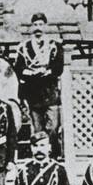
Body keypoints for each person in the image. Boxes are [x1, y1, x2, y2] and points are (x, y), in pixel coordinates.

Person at [13, 11, 66, 157]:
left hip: (50, 93)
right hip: (33, 93)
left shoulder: (54, 46)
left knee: (53, 127)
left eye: (41, 24)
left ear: (45, 26)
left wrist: (46, 71)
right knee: (37, 128)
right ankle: (38, 156)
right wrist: (28, 73)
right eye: (35, 24)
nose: (38, 27)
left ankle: (54, 156)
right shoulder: (23, 48)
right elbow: (18, 68)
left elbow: (58, 67)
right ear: (31, 27)